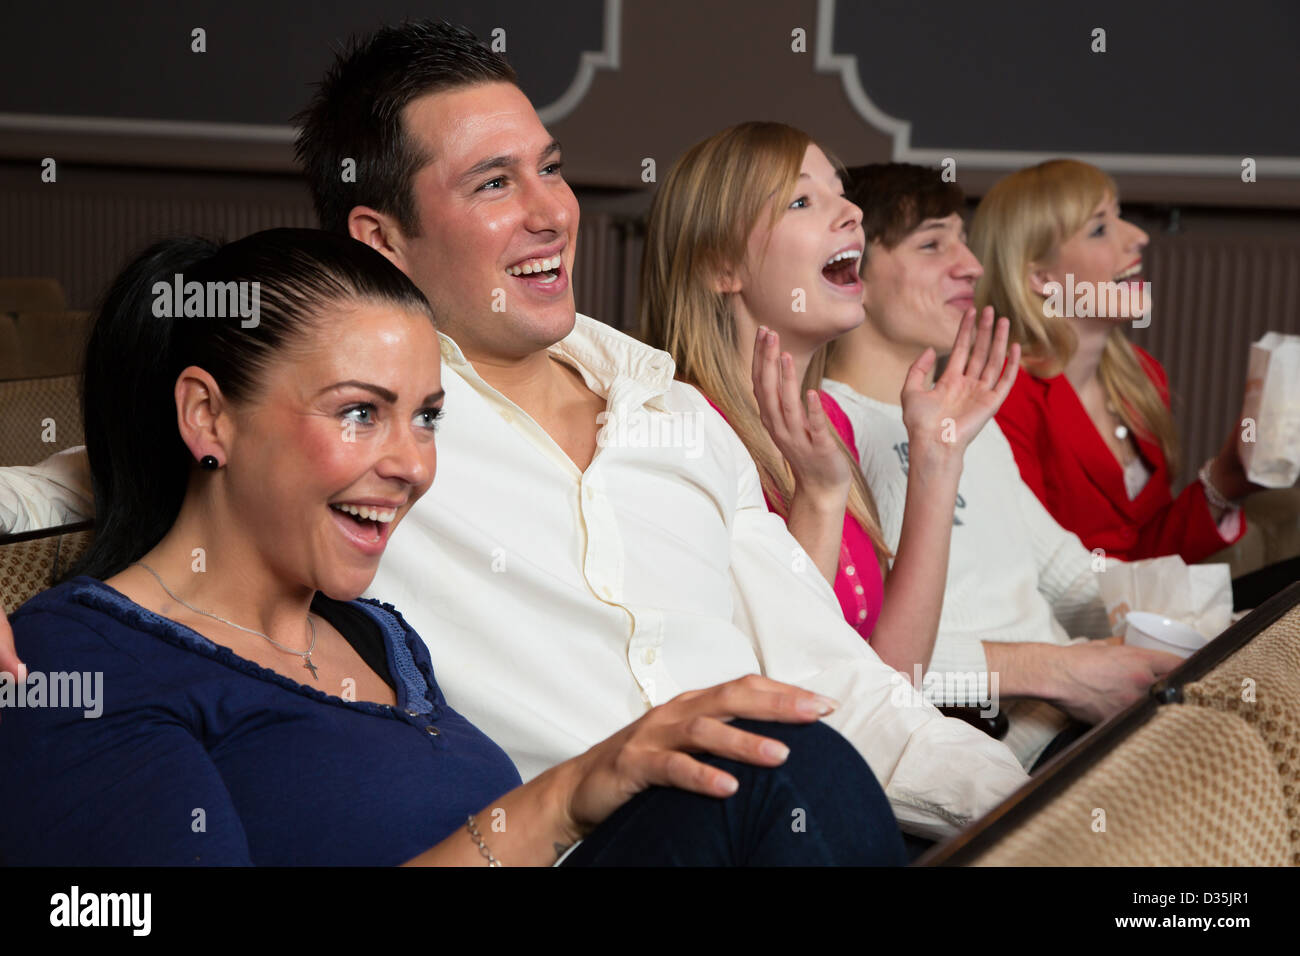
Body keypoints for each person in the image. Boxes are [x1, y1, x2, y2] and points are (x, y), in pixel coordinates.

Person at [0, 20, 1029, 840]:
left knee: (793, 752)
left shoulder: (670, 411)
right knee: (770, 760)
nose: (553, 211)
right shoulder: (341, 431)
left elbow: (835, 679)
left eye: (550, 167)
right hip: (584, 841)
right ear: (381, 238)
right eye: (494, 182)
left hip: (777, 820)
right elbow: (76, 483)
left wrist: (1034, 816)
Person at [0, 228, 907, 866]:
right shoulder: (80, 661)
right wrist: (560, 799)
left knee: (774, 757)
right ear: (207, 416)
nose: (410, 465)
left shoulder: (373, 634)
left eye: (427, 418)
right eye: (360, 412)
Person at [823, 164, 1182, 770]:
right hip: (1001, 750)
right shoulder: (827, 433)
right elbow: (858, 666)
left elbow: (1069, 578)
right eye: (933, 244)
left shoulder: (965, 411)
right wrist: (1061, 671)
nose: (972, 265)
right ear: (851, 269)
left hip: (1073, 718)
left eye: (962, 240)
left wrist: (1208, 622)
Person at [640, 121, 1018, 678]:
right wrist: (818, 496)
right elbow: (783, 687)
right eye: (801, 200)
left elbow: (892, 676)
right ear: (721, 266)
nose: (853, 213)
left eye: (841, 194)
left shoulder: (830, 420)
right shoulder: (681, 431)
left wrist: (938, 456)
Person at [970, 158, 1259, 564]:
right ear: (1041, 279)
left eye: (1120, 216)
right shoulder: (1002, 398)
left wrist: (1226, 479)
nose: (1139, 237)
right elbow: (1027, 573)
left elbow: (1146, 555)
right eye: (1100, 228)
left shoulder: (1140, 375)